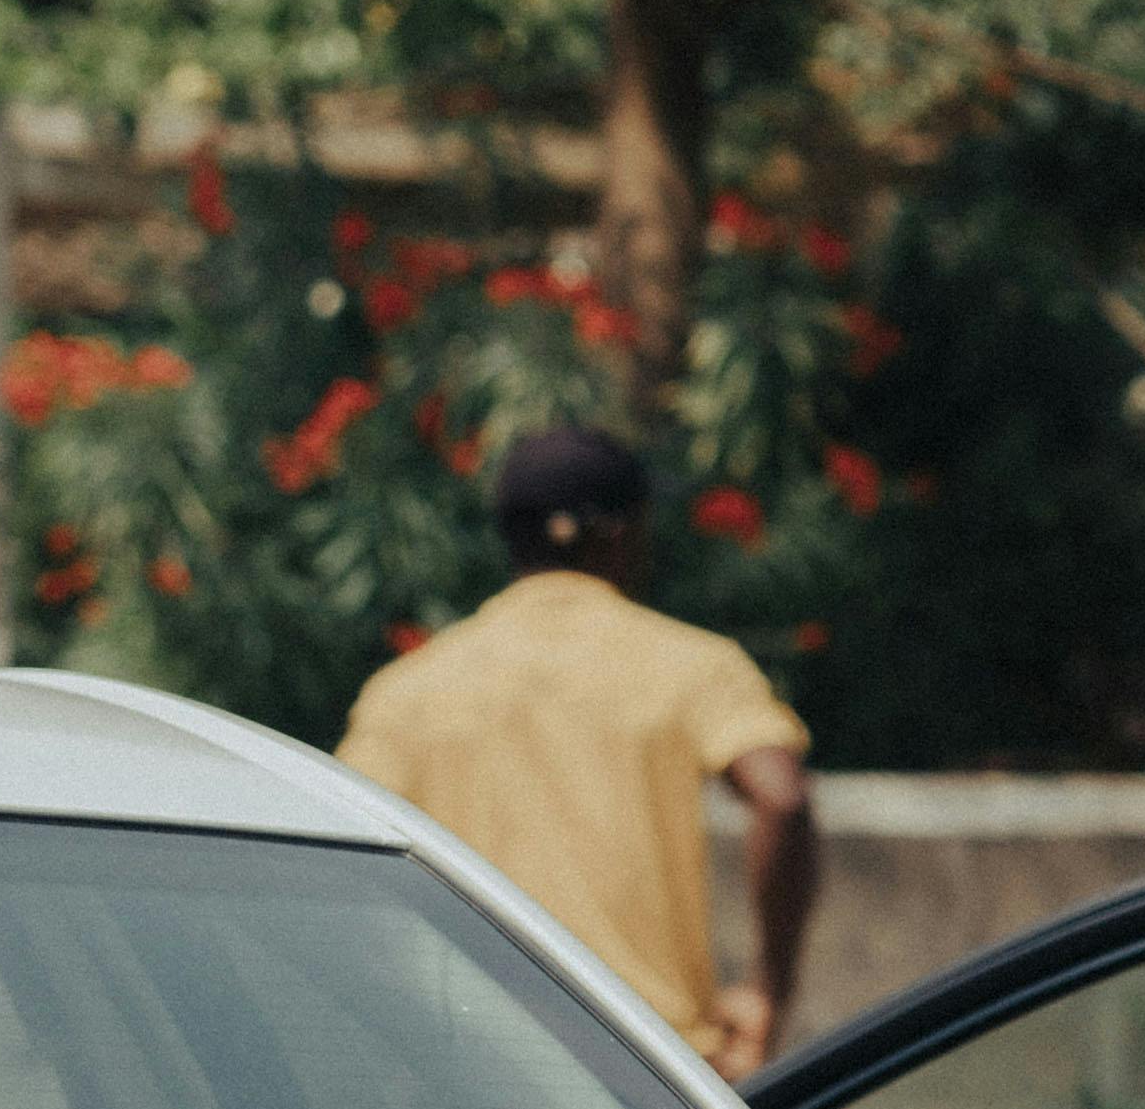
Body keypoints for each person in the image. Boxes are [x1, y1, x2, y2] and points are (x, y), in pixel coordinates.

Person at [331, 422, 817, 1074]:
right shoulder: (692, 664)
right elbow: (781, 798)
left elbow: (338, 849)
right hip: (654, 1063)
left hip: (473, 1071)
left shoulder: (407, 691)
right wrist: (768, 989)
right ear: (618, 532)